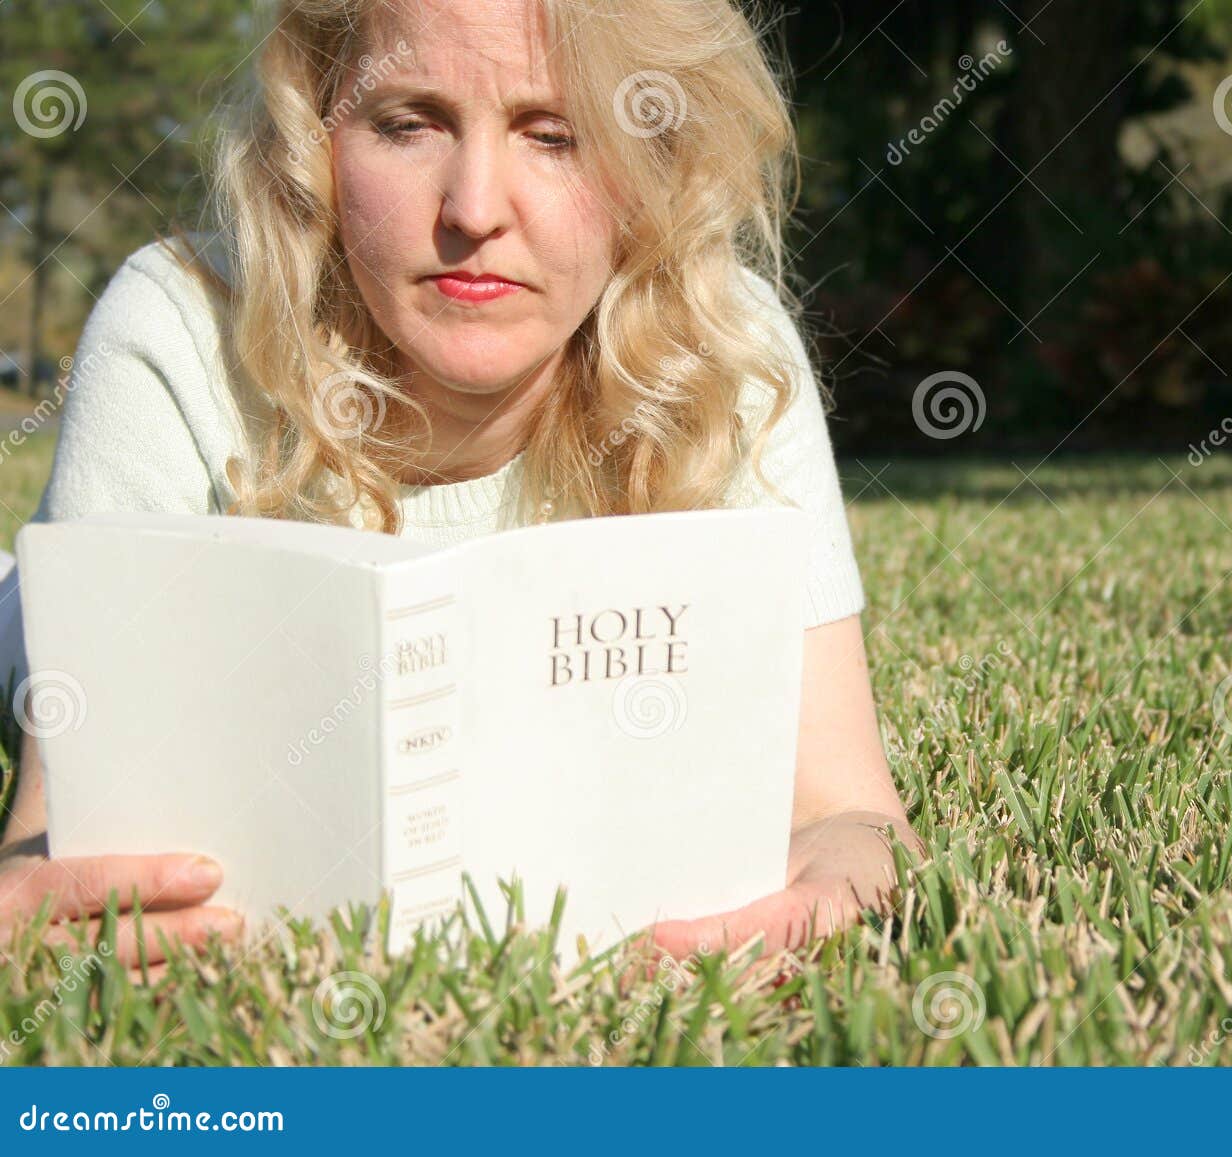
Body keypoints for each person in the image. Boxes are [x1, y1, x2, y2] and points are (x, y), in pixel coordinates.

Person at [0, 0, 918, 972]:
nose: (475, 208)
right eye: (408, 123)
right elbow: (54, 841)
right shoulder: (181, 328)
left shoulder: (721, 345)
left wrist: (836, 883)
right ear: (317, 134)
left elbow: (848, 810)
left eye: (554, 134)